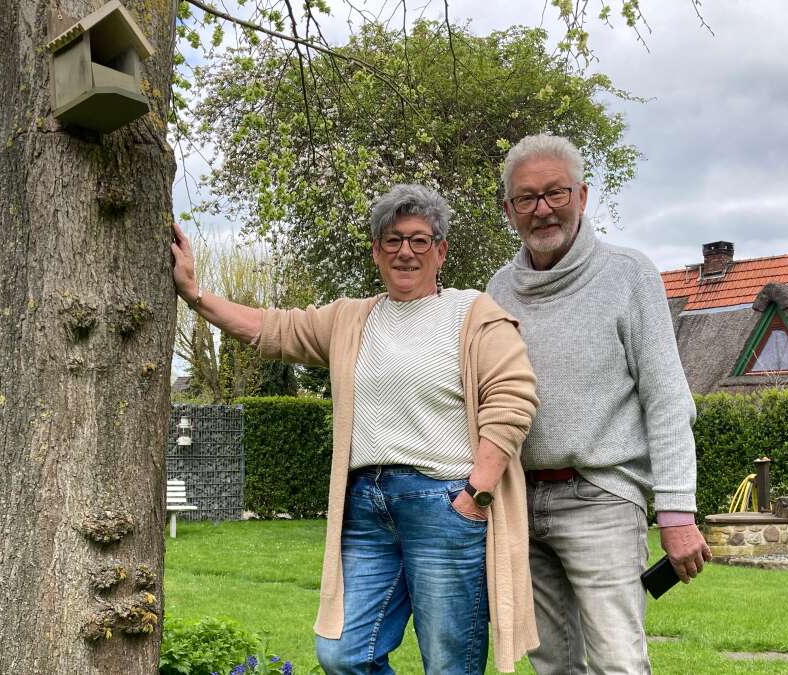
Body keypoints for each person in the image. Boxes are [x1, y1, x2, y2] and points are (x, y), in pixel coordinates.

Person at [170, 184, 540, 674]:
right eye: (392, 240)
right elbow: (269, 328)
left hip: (445, 504)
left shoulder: (473, 314)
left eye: (419, 240)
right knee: (342, 655)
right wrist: (194, 293)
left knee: (450, 663)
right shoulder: (350, 319)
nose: (405, 252)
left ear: (441, 250)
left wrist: (476, 494)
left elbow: (512, 401)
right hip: (366, 507)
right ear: (376, 251)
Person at [486, 135, 712, 675]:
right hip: (520, 502)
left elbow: (666, 400)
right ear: (509, 210)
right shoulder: (498, 290)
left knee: (618, 661)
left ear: (582, 196)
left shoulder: (629, 276)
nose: (542, 209)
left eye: (555, 193)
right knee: (550, 665)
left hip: (603, 498)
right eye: (526, 198)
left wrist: (676, 513)